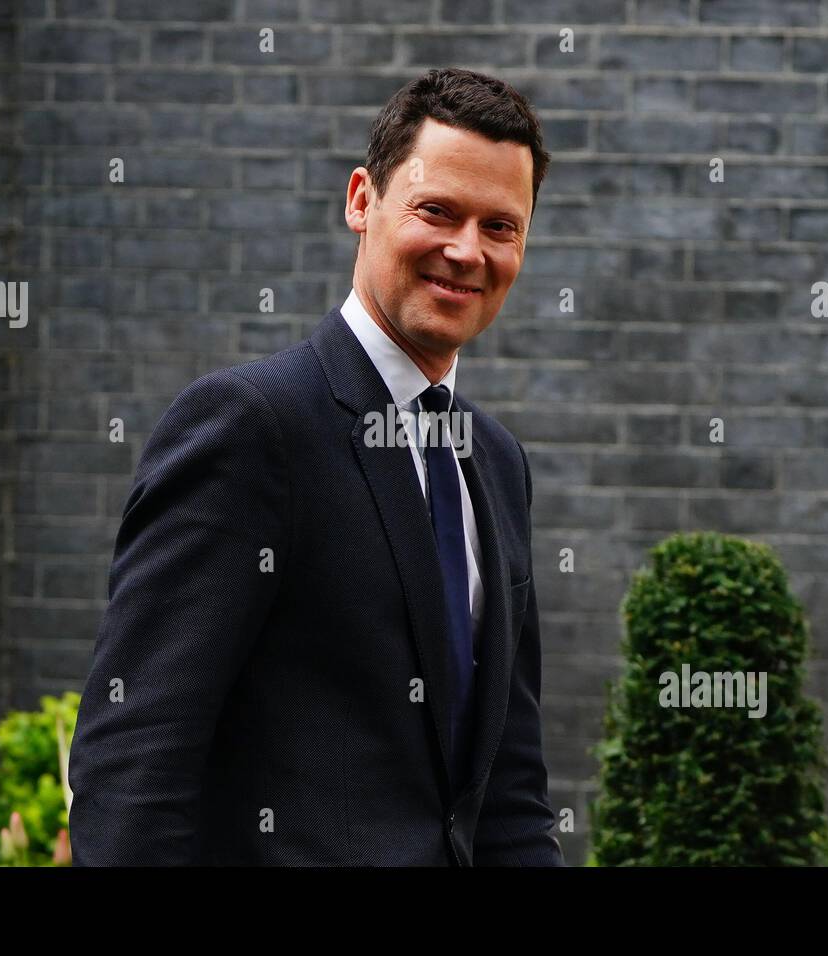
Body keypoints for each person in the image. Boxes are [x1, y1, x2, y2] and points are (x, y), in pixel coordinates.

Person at [68, 68, 563, 866]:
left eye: (500, 226)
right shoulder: (250, 427)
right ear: (362, 200)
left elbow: (509, 786)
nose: (466, 250)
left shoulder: (497, 463)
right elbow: (133, 761)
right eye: (437, 210)